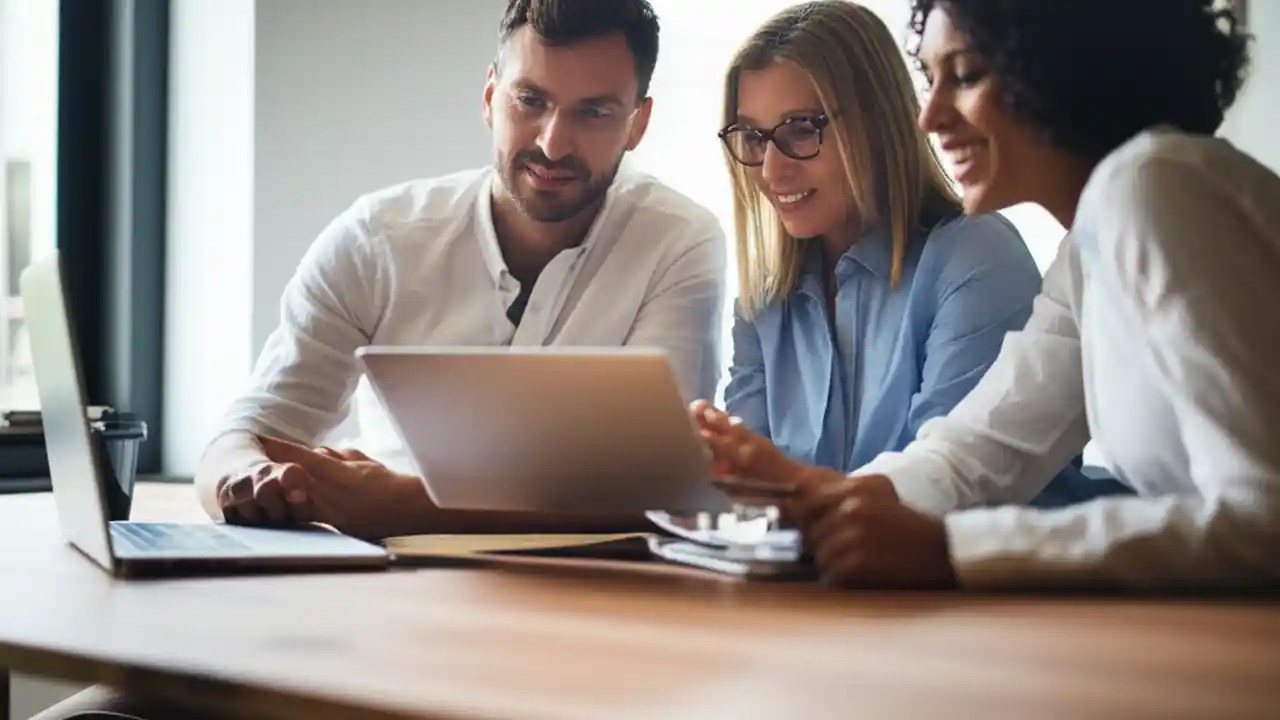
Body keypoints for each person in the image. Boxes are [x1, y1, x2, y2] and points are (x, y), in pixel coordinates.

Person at [697, 0, 1280, 590]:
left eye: (966, 76)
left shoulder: (1155, 186)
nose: (927, 118)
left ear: (1059, 67)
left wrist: (954, 548)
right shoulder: (1090, 245)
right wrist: (825, 498)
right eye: (930, 79)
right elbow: (980, 450)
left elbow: (1265, 520)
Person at [195, 0, 726, 541]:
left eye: (593, 112)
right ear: (491, 97)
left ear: (638, 124)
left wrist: (402, 504)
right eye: (530, 101)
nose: (552, 143)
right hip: (393, 579)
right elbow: (242, 437)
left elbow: (666, 489)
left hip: (598, 582)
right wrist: (250, 478)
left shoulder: (678, 242)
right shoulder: (376, 239)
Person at [702, 1, 1040, 483]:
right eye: (754, 138)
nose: (772, 171)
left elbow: (943, 488)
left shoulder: (977, 260)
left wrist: (783, 486)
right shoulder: (763, 304)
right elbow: (748, 488)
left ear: (878, 123)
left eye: (802, 129)